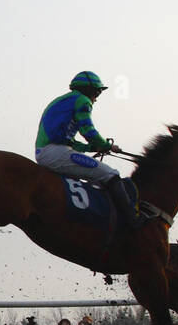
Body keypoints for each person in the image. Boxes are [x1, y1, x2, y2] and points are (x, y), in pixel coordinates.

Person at [34, 71, 141, 229]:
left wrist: (91, 148)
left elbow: (69, 142)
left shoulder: (65, 100)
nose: (97, 98)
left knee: (96, 179)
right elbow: (89, 131)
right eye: (97, 92)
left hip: (48, 152)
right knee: (111, 175)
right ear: (90, 90)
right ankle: (132, 220)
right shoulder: (82, 101)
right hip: (55, 152)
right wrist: (106, 145)